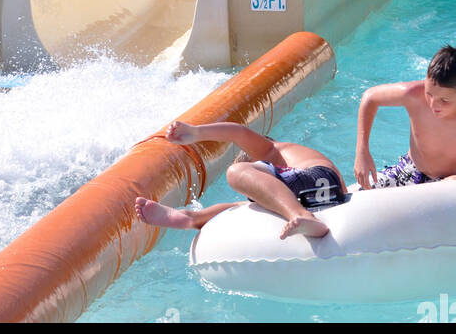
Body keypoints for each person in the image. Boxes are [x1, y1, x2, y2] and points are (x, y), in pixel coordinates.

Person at [135, 119, 348, 241]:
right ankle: (191, 218)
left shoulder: (271, 149)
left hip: (313, 180)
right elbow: (239, 206)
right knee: (250, 205)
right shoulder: (285, 185)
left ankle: (302, 216)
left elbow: (238, 132)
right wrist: (193, 217)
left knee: (235, 172)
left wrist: (196, 132)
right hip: (327, 191)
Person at [354, 45, 456, 187]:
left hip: (449, 183)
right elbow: (370, 97)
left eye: (444, 100)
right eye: (429, 94)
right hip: (409, 171)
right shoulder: (413, 94)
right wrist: (362, 151)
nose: (433, 105)